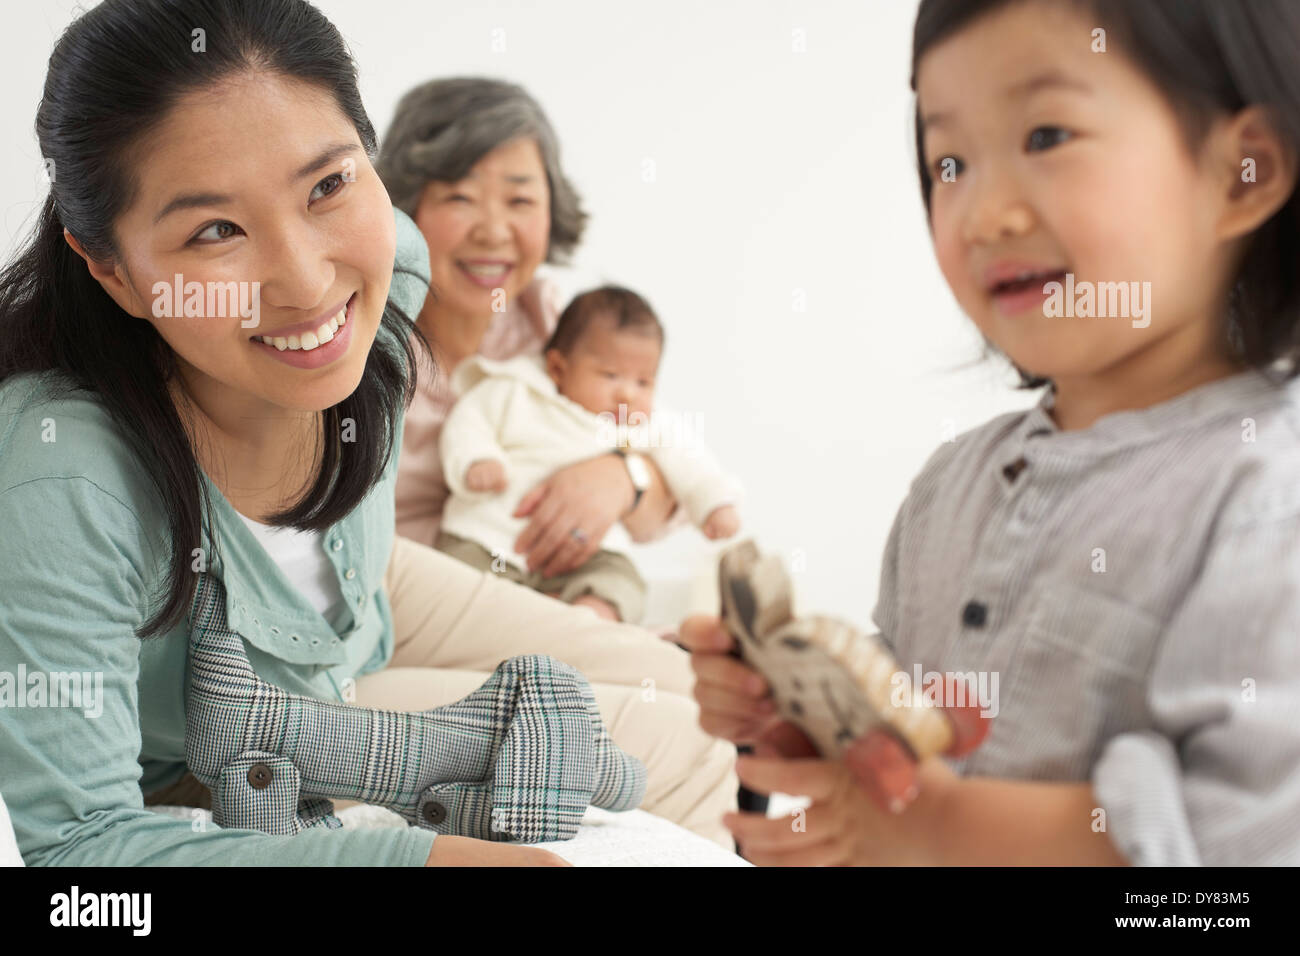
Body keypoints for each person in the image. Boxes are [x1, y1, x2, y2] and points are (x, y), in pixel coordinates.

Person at [0, 0, 737, 867]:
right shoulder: (63, 478)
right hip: (226, 742)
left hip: (376, 583)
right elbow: (80, 855)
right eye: (215, 230)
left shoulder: (402, 270)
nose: (309, 284)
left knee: (697, 691)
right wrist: (423, 862)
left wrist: (629, 470)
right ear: (112, 269)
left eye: (328, 186)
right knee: (677, 744)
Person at [681, 0, 1300, 866]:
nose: (983, 214)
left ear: (1243, 172)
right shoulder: (949, 486)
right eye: (951, 161)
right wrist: (802, 716)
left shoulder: (1268, 498)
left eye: (1047, 137)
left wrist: (936, 828)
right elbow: (914, 737)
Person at [375, 77, 688, 581]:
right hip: (411, 606)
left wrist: (621, 475)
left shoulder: (551, 324)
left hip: (543, 593)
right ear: (404, 207)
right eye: (460, 197)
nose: (494, 231)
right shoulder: (359, 335)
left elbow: (666, 489)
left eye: (519, 201)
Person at [436, 284, 744, 623]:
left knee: (619, 580)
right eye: (610, 375)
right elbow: (470, 420)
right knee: (457, 582)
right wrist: (477, 459)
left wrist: (714, 502)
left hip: (586, 555)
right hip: (488, 540)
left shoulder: (645, 423)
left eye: (643, 381)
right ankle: (508, 627)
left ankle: (586, 622)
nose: (627, 393)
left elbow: (690, 460)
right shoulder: (517, 390)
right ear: (558, 368)